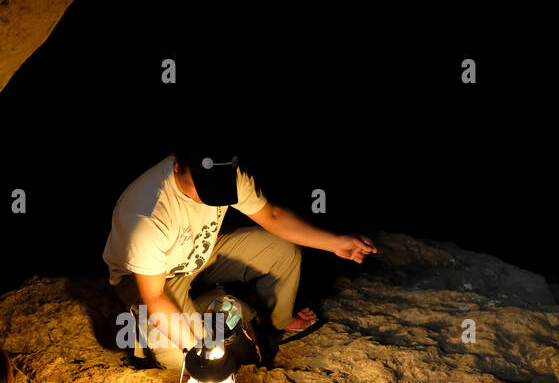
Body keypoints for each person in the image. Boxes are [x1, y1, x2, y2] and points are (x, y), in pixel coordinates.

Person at [103, 147, 377, 369]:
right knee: (181, 358)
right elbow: (154, 296)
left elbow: (273, 216)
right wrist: (201, 352)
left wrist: (335, 243)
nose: (213, 196)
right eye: (203, 187)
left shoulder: (226, 169)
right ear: (177, 164)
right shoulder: (146, 215)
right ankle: (207, 309)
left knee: (283, 252)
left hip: (200, 252)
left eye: (220, 186)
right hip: (152, 279)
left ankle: (276, 321)